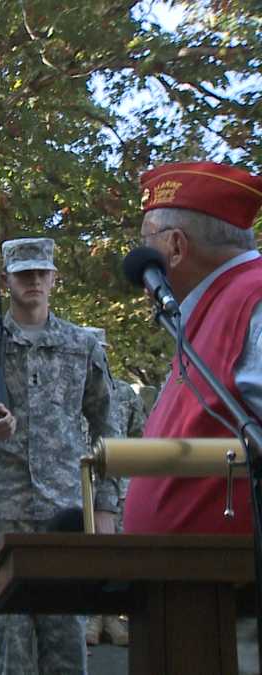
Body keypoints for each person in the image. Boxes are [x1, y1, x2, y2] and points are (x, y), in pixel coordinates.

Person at [0, 237, 119, 674]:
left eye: (40, 273)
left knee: (67, 650)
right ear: (6, 280)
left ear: (54, 278)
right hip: (1, 517)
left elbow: (107, 425)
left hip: (64, 513)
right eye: (23, 274)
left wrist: (107, 504)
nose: (33, 281)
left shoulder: (81, 346)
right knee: (10, 653)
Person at [118, 162, 262, 674]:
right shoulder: (206, 312)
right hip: (191, 605)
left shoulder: (253, 298)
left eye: (146, 239)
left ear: (175, 247)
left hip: (236, 609)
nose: (137, 254)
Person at [80, 326, 142, 649]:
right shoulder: (72, 383)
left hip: (115, 483)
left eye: (101, 347)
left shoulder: (125, 393)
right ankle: (91, 615)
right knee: (87, 552)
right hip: (78, 481)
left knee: (114, 551)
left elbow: (137, 436)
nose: (98, 352)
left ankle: (112, 617)